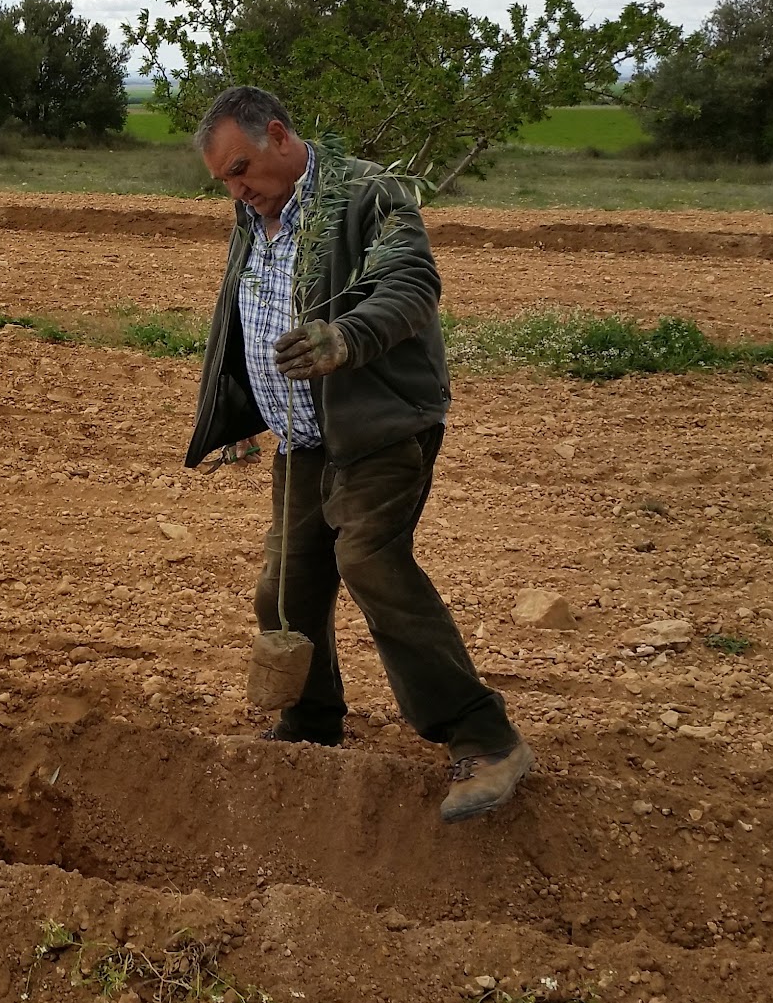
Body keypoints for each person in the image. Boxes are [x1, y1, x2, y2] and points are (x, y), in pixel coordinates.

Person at [184, 85, 532, 822]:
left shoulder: (369, 196)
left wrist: (345, 338)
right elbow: (253, 310)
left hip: (377, 428)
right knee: (284, 590)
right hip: (304, 440)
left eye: (242, 169)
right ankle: (311, 727)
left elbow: (411, 288)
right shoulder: (256, 215)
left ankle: (485, 738)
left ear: (279, 135)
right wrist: (248, 408)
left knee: (371, 561)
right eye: (225, 181)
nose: (238, 190)